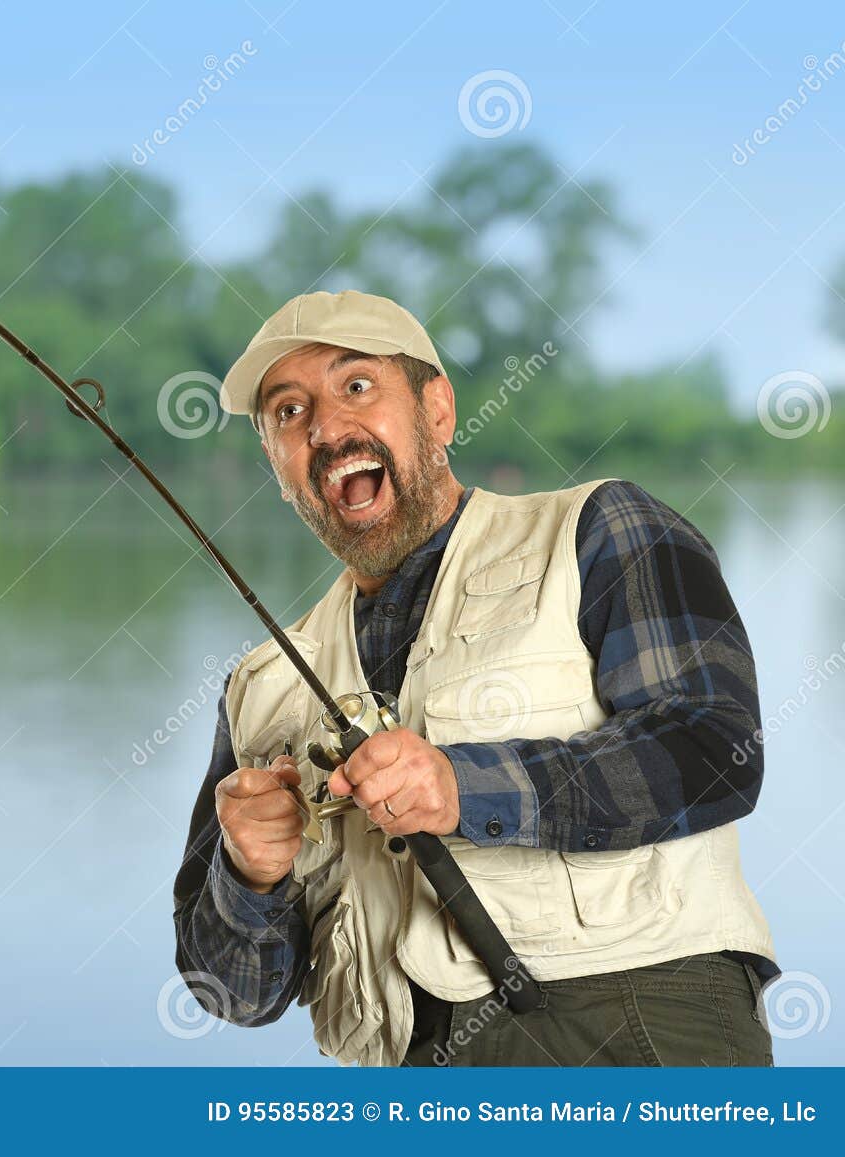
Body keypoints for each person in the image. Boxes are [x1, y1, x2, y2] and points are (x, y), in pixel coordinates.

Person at [171, 290, 777, 1066]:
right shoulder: (256, 687)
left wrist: (464, 787)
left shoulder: (605, 526)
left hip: (630, 1030)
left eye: (357, 386)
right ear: (277, 467)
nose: (325, 427)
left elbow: (714, 749)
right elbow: (232, 992)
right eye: (288, 413)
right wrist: (249, 874)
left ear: (439, 411)